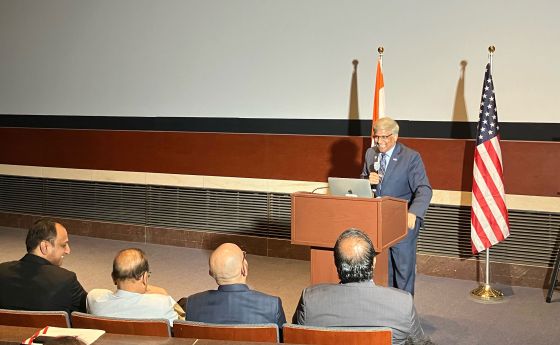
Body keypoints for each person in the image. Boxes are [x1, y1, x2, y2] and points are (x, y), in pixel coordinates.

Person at [293, 228, 425, 345]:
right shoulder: (402, 303)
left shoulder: (310, 300)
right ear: (373, 262)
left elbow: (293, 338)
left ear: (336, 263)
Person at [361, 117, 432, 295]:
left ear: (395, 136)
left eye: (385, 137)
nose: (380, 141)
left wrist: (414, 213)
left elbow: (424, 189)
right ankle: (385, 310)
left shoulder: (410, 157)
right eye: (377, 137)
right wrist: (366, 180)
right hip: (377, 222)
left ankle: (405, 314)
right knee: (382, 271)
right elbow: (363, 180)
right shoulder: (371, 153)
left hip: (402, 222)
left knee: (402, 271)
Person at [181, 243, 286, 329]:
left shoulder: (193, 303)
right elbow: (283, 339)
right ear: (244, 269)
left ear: (211, 274)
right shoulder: (272, 305)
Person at [0, 219, 87, 313]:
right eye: (64, 245)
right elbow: (89, 313)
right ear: (45, 247)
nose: (68, 251)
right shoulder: (66, 280)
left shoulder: (1, 271)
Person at [87, 248, 181, 323]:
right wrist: (162, 292)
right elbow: (183, 324)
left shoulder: (94, 299)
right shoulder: (163, 304)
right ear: (144, 277)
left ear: (113, 277)